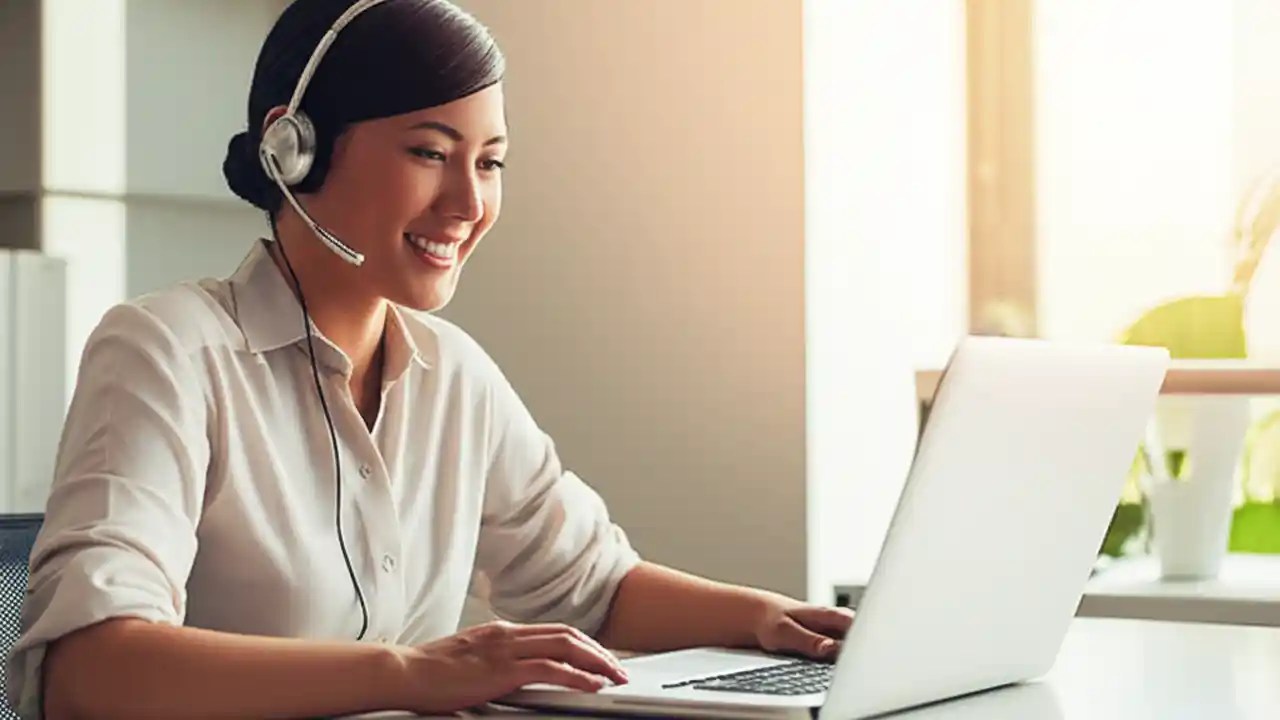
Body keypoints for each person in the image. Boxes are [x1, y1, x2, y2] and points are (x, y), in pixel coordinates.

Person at [8, 1, 853, 718]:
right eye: (430, 152)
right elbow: (92, 672)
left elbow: (595, 587)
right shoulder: (168, 351)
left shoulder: (456, 376)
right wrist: (415, 673)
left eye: (490, 164)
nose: (469, 203)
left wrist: (773, 620)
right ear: (293, 146)